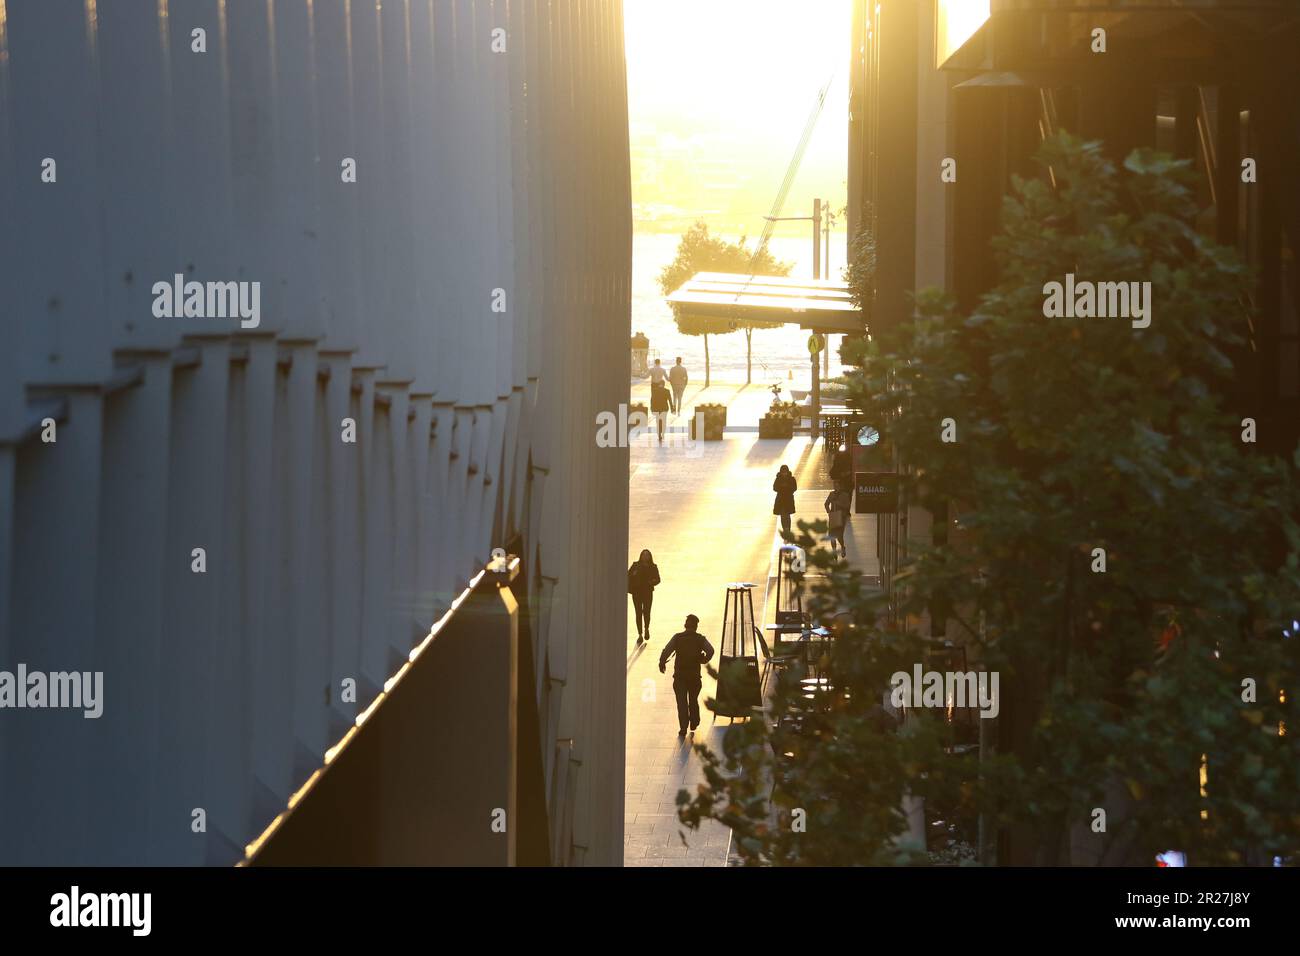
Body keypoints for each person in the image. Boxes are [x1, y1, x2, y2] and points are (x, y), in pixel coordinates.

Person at [659, 614, 714, 737]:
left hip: (680, 677)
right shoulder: (700, 639)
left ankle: (683, 727)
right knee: (693, 700)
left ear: (685, 625)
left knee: (681, 702)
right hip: (694, 677)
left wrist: (662, 662)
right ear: (696, 626)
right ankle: (694, 722)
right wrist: (703, 659)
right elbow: (711, 650)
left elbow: (667, 650)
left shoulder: (677, 638)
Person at [627, 549, 660, 644]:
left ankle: (646, 629)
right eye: (644, 555)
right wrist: (633, 575)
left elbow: (658, 579)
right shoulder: (635, 565)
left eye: (647, 555)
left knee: (646, 612)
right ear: (641, 556)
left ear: (650, 557)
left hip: (647, 592)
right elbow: (628, 575)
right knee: (638, 613)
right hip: (636, 592)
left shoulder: (653, 567)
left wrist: (651, 582)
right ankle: (640, 634)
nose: (645, 556)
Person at [824, 481, 852, 557]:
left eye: (837, 486)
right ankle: (834, 551)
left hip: (841, 517)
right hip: (833, 516)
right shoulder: (831, 494)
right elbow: (826, 503)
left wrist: (839, 503)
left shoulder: (845, 495)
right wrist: (829, 511)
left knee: (839, 535)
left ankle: (842, 547)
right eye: (834, 486)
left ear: (840, 486)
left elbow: (847, 505)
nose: (835, 487)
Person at [773, 464, 797, 536]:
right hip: (780, 500)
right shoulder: (778, 479)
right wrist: (781, 487)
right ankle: (785, 530)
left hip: (788, 499)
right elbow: (774, 488)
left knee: (787, 515)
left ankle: (788, 530)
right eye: (783, 472)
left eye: (785, 471)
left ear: (787, 471)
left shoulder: (792, 479)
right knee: (783, 515)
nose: (784, 473)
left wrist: (787, 487)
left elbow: (795, 488)